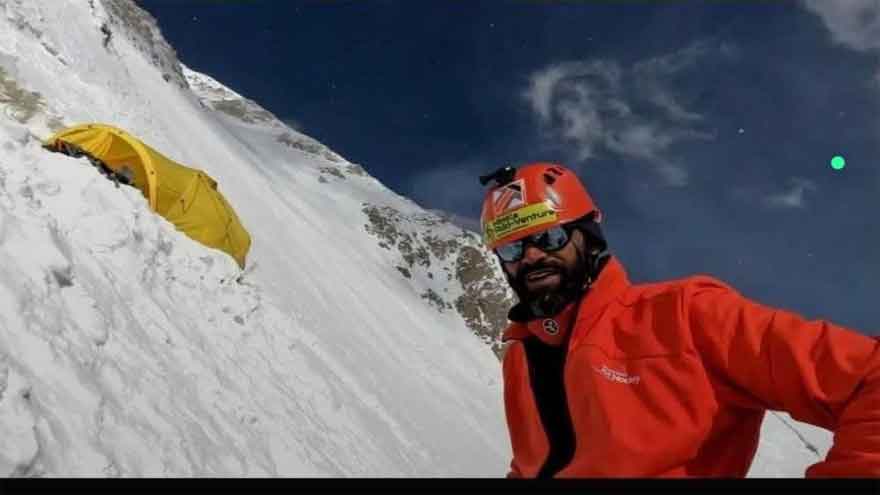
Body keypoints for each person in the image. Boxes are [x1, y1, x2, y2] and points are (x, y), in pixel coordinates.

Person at [479, 162, 880, 477]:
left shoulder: (685, 314)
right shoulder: (522, 352)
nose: (530, 256)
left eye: (549, 237)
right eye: (512, 249)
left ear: (588, 235)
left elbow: (868, 374)